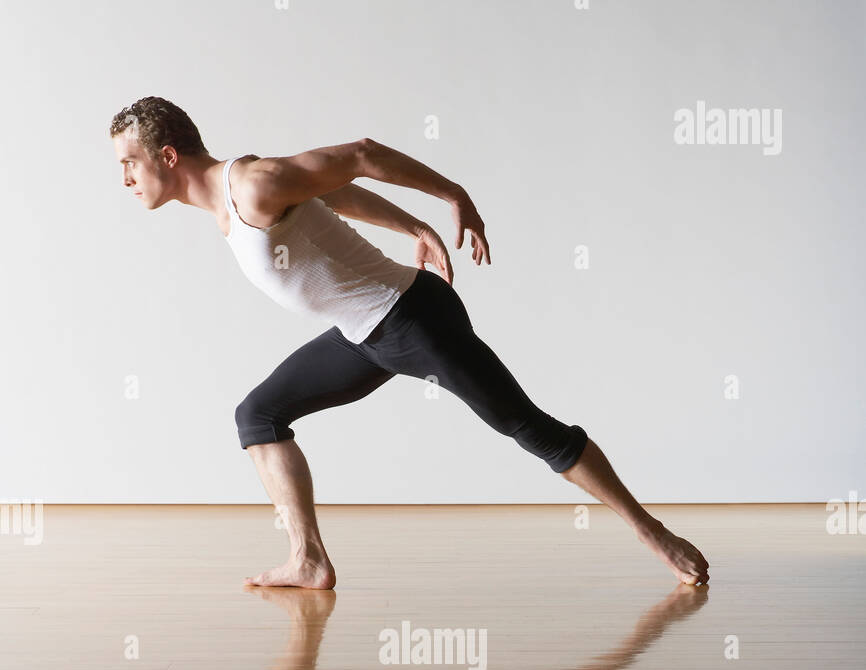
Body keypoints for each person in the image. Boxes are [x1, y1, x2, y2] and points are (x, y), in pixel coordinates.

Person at [110, 96, 709, 590]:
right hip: (364, 337)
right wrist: (413, 227)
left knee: (527, 427)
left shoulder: (252, 183)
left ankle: (652, 532)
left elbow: (360, 156)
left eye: (130, 163)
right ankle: (308, 559)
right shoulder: (235, 203)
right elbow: (333, 193)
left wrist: (451, 198)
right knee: (258, 415)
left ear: (166, 155)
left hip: (414, 322)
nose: (126, 179)